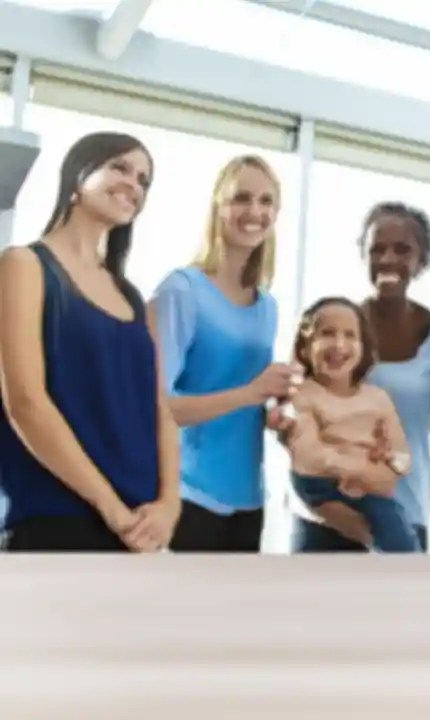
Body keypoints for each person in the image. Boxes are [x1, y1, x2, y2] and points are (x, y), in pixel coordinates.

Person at [0, 131, 180, 552]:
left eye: (143, 180)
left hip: (138, 532)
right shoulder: (23, 265)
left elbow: (160, 411)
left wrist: (169, 506)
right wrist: (114, 511)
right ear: (78, 177)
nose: (133, 184)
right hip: (55, 523)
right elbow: (25, 401)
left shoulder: (131, 296)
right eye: (119, 167)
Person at [277, 201, 430, 553]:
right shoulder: (332, 332)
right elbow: (293, 414)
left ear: (423, 260)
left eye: (403, 249)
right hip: (326, 516)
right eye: (377, 249)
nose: (388, 259)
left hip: (403, 515)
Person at [147, 155, 294, 553]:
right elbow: (156, 407)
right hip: (188, 494)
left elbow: (243, 401)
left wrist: (276, 414)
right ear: (218, 207)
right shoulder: (181, 291)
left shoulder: (267, 306)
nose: (254, 211)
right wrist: (250, 393)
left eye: (266, 202)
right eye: (241, 198)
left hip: (249, 499)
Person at [285, 296, 419, 552]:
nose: (339, 344)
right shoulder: (304, 394)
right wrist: (357, 470)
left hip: (367, 490)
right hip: (320, 487)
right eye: (327, 333)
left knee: (396, 528)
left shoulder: (377, 398)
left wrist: (390, 458)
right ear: (305, 347)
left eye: (350, 335)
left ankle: (409, 581)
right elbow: (308, 458)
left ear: (364, 347)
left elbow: (402, 459)